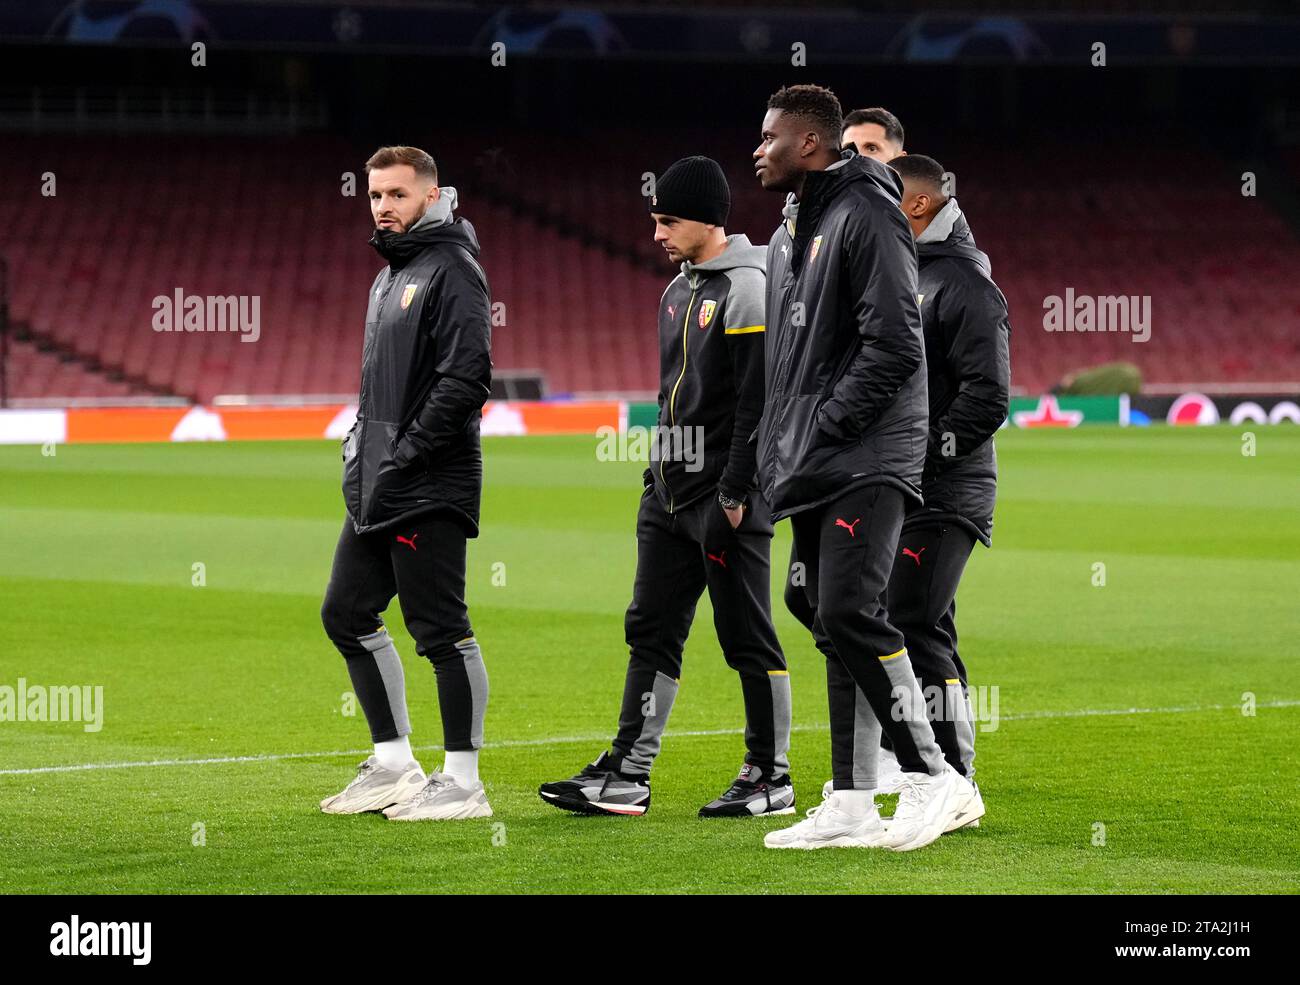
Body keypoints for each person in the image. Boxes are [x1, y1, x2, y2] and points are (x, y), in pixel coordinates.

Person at [753, 85, 979, 851]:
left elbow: (894, 345)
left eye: (770, 137)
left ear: (810, 145)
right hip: (818, 457)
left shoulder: (868, 210)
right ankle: (851, 799)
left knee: (851, 607)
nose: (758, 150)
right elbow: (791, 359)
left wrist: (825, 423)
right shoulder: (800, 227)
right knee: (825, 614)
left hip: (868, 452)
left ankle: (935, 777)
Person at [538, 157, 793, 818]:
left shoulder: (749, 288)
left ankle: (771, 773)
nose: (656, 233)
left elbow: (755, 404)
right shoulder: (677, 291)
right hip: (669, 493)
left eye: (667, 221)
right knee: (650, 628)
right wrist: (657, 473)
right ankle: (629, 772)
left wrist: (735, 492)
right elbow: (668, 396)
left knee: (746, 635)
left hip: (724, 496)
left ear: (708, 220)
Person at [319, 145, 494, 821]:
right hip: (382, 478)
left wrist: (408, 452)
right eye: (375, 196)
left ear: (431, 195)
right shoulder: (392, 273)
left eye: (397, 194)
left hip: (430, 480)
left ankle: (464, 782)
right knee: (346, 611)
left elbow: (467, 378)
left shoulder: (453, 268)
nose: (384, 207)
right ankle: (393, 761)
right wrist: (367, 449)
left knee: (440, 629)